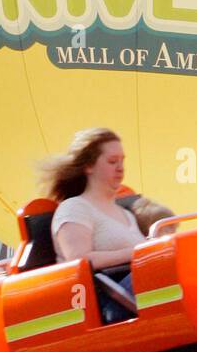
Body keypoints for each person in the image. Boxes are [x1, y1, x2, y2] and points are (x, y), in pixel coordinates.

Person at [40, 128, 143, 322]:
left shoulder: (126, 214)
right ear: (89, 166)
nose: (120, 168)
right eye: (112, 162)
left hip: (134, 292)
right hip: (111, 302)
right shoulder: (74, 208)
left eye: (122, 161)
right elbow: (78, 260)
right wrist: (138, 252)